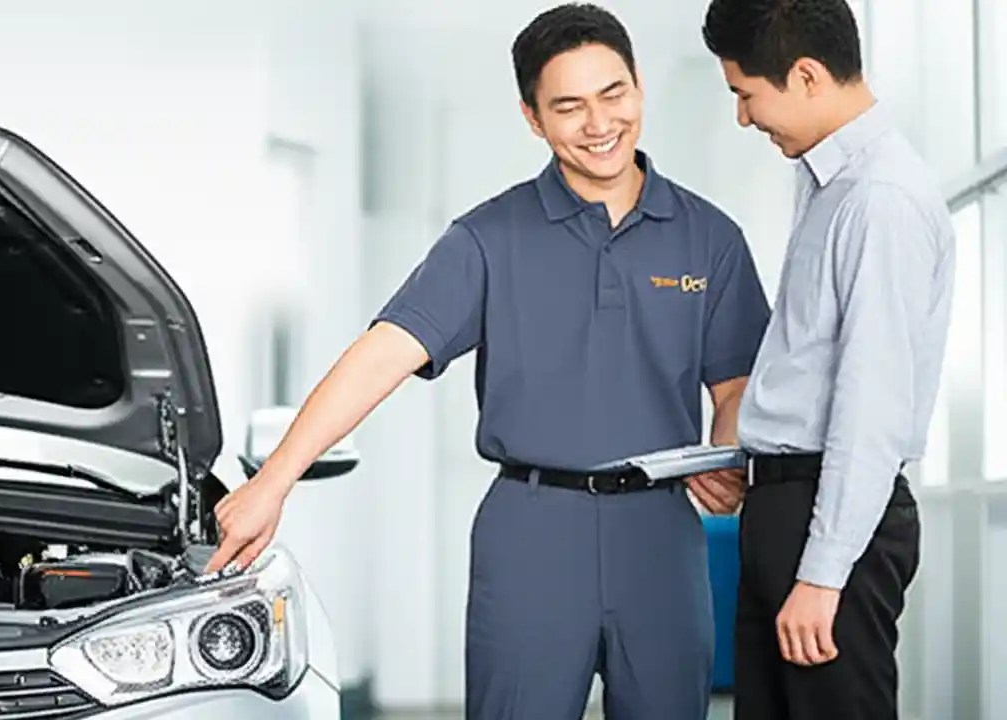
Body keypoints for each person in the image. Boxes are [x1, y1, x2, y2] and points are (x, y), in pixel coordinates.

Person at [209, 3, 770, 717]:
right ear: (534, 118)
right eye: (568, 107)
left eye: (613, 94)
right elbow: (383, 353)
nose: (599, 125)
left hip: (661, 537)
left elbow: (736, 380)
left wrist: (725, 446)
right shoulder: (486, 237)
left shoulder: (711, 239)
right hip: (530, 532)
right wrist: (276, 479)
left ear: (638, 88)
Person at [700, 1, 956, 718]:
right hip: (786, 504)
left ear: (806, 75)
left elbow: (871, 404)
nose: (745, 118)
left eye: (746, 94)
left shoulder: (880, 199)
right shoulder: (828, 181)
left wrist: (822, 573)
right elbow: (811, 368)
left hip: (827, 516)